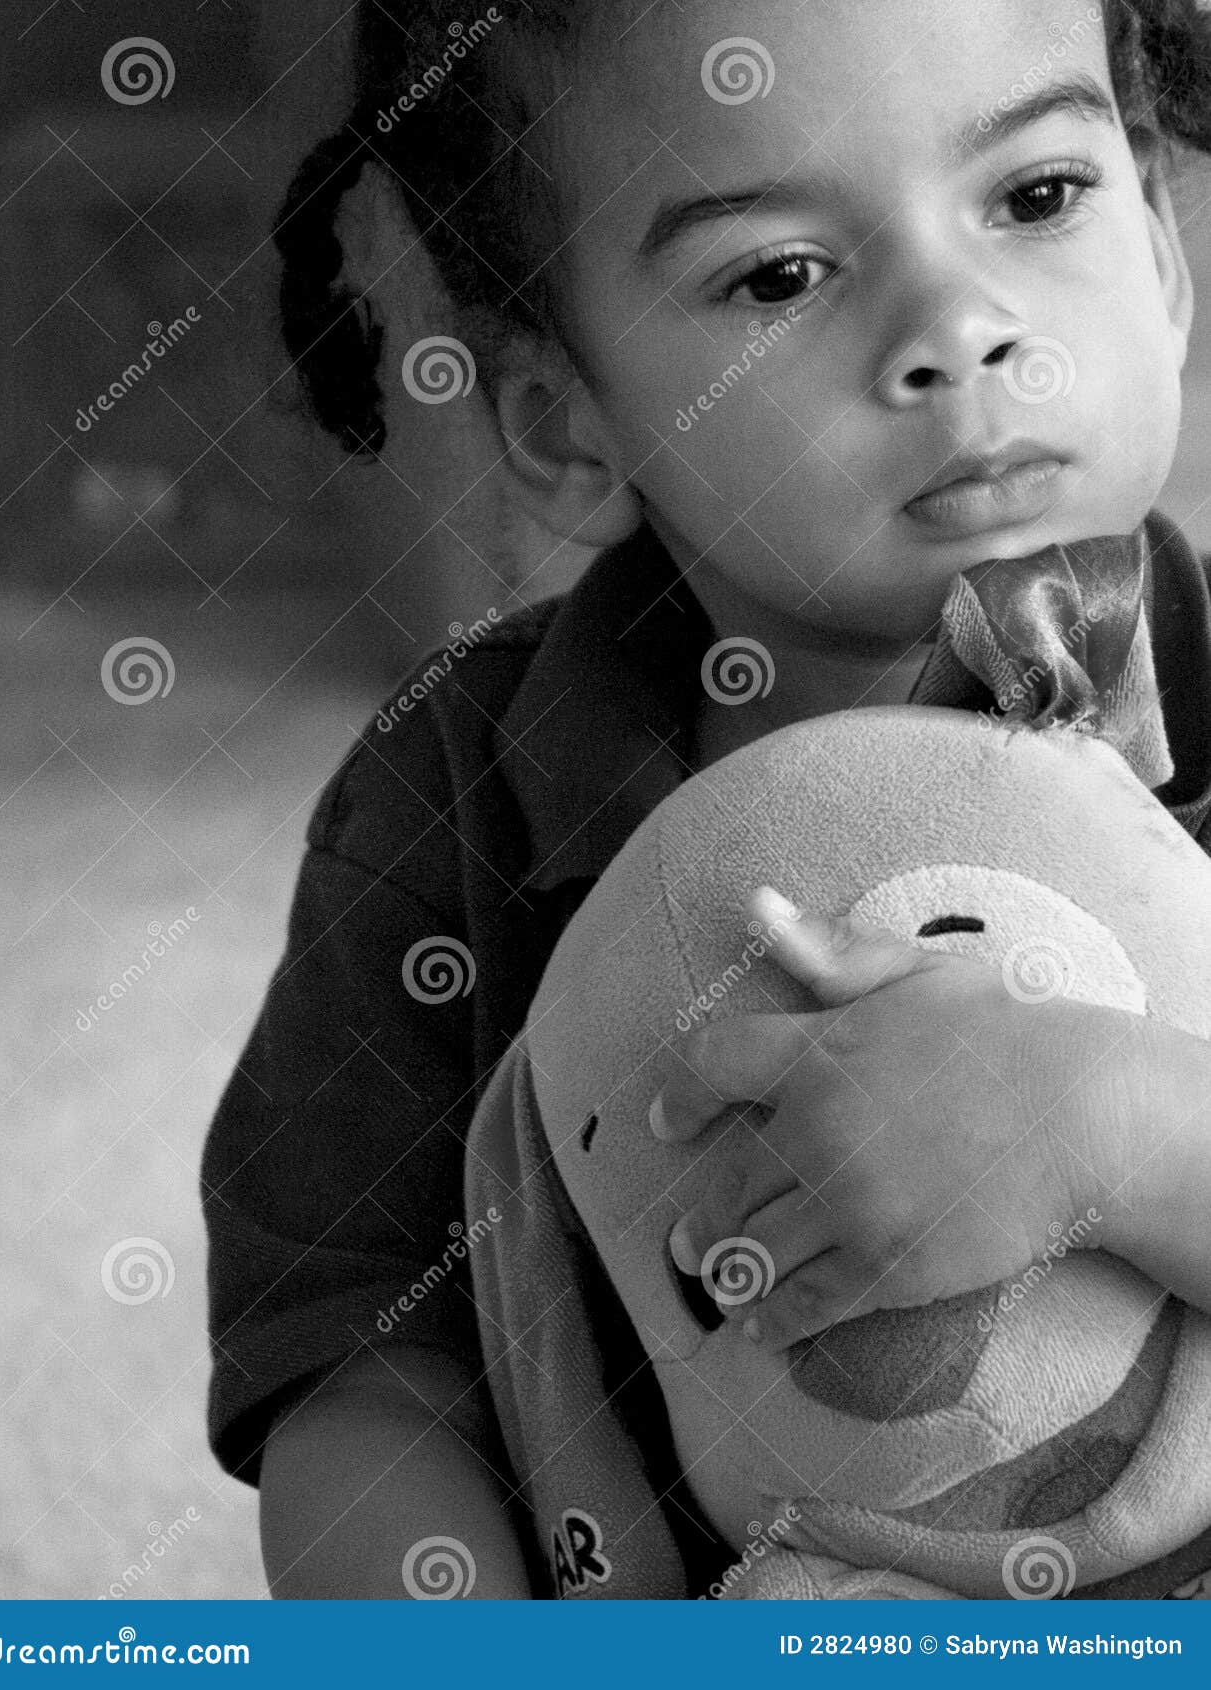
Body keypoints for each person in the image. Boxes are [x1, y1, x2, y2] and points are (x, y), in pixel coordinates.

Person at [202, 0, 1211, 1599]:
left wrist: (1120, 1125)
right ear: (563, 420)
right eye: (778, 276)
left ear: (1157, 246)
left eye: (1035, 197)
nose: (956, 325)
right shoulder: (448, 796)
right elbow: (362, 1365)